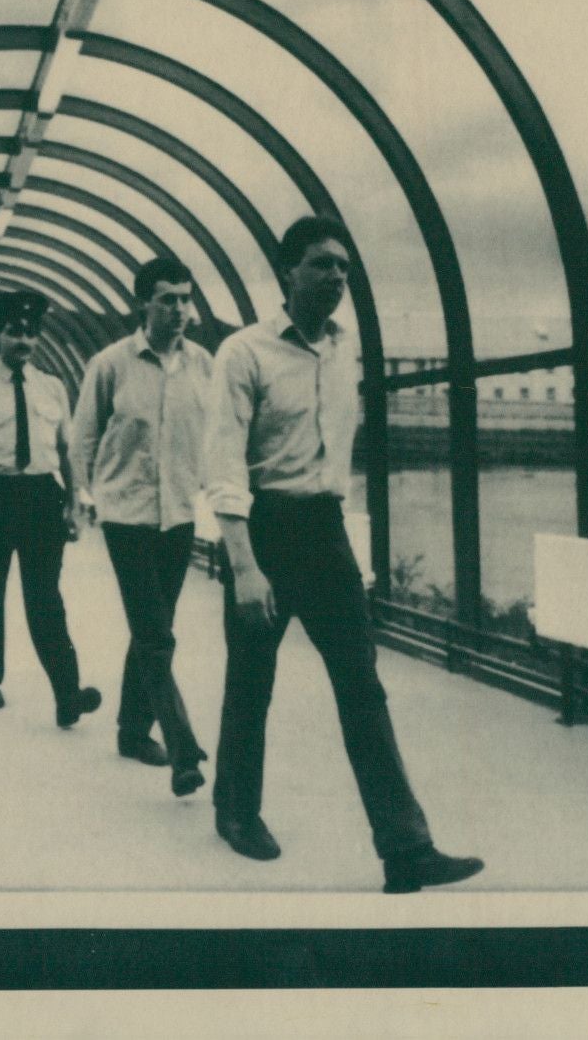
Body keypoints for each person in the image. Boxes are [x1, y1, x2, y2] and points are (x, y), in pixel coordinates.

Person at [205, 215, 484, 894]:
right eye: (324, 264)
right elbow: (223, 463)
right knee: (252, 680)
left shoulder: (344, 350)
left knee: (362, 683)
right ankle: (236, 811)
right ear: (286, 271)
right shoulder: (243, 352)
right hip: (264, 528)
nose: (338, 277)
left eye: (346, 268)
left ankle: (405, 847)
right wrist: (243, 563)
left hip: (325, 532)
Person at [70, 257, 213, 798]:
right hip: (125, 513)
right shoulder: (110, 364)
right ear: (142, 305)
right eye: (167, 300)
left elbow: (220, 434)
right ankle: (182, 746)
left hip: (179, 514)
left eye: (185, 298)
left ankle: (132, 732)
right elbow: (83, 438)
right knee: (155, 632)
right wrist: (83, 498)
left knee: (152, 627)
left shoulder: (204, 365)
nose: (179, 310)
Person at [0, 289, 101, 727]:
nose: (24, 343)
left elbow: (69, 454)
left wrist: (74, 503)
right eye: (15, 333)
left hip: (41, 500)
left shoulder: (52, 388)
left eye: (30, 335)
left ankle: (68, 694)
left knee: (46, 598)